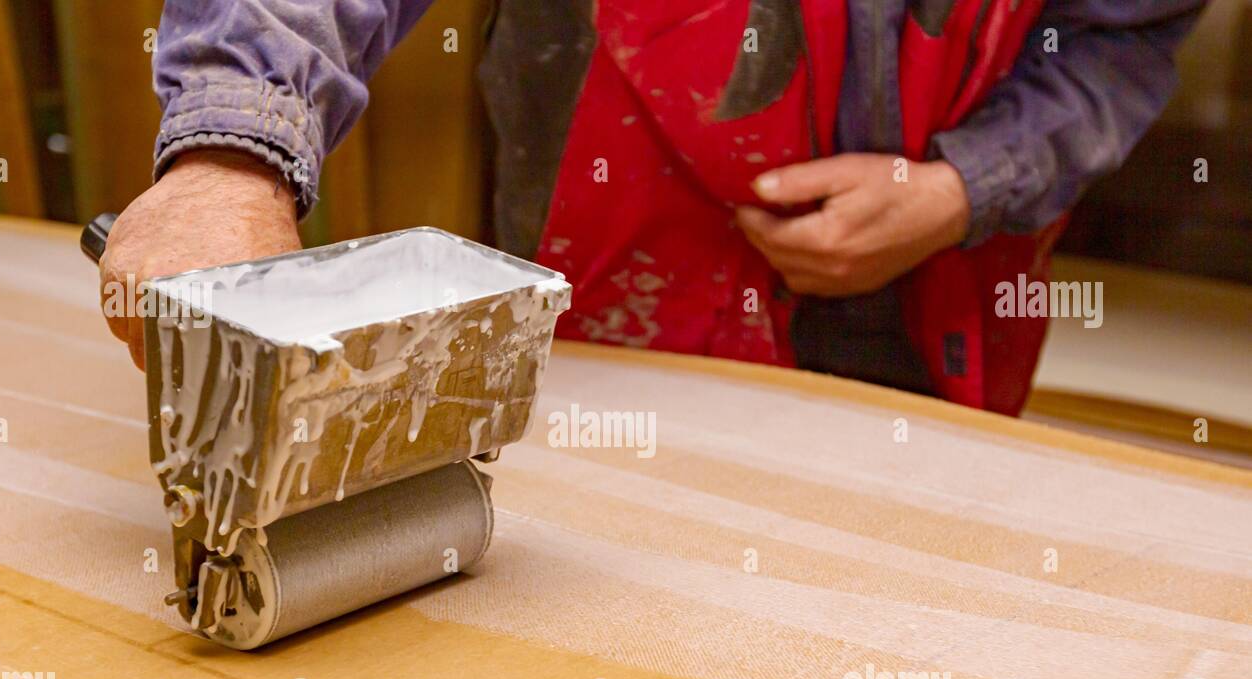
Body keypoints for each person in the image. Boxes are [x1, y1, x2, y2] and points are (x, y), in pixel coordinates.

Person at [100, 0, 1204, 414]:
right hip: (607, 294)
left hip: (920, 312)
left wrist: (971, 185)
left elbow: (1119, 36)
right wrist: (231, 149)